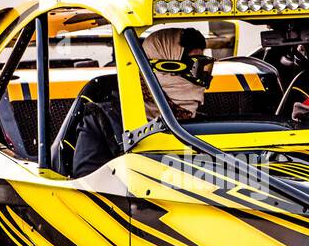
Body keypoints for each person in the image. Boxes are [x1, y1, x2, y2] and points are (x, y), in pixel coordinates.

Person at [70, 26, 211, 177]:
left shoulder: (203, 123)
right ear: (161, 70)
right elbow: (86, 182)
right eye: (193, 68)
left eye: (203, 68)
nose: (199, 81)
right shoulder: (103, 122)